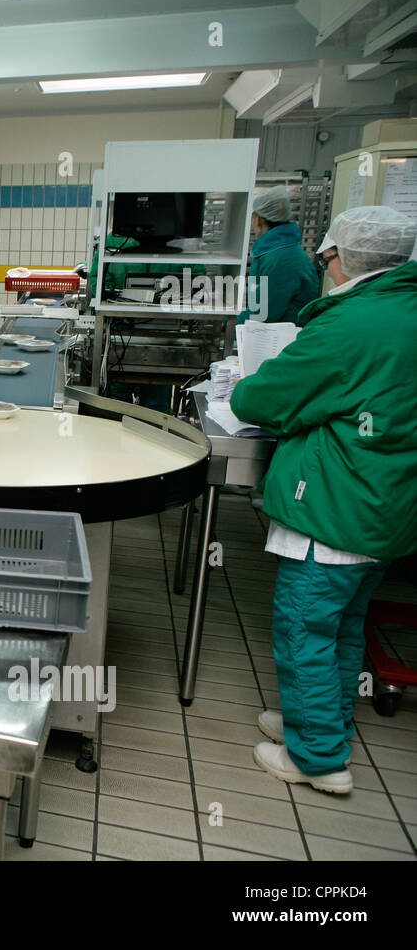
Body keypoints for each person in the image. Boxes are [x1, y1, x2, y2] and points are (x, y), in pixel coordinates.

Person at [230, 206, 417, 794]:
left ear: (337, 257)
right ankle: (322, 724)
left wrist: (246, 385)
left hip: (338, 502)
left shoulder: (354, 323)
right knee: (344, 625)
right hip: (386, 506)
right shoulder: (404, 308)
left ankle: (317, 759)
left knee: (305, 626)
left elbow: (262, 400)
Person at [236, 186, 320, 326]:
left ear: (258, 220)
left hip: (283, 338)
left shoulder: (281, 259)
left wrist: (234, 323)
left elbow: (263, 314)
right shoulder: (281, 251)